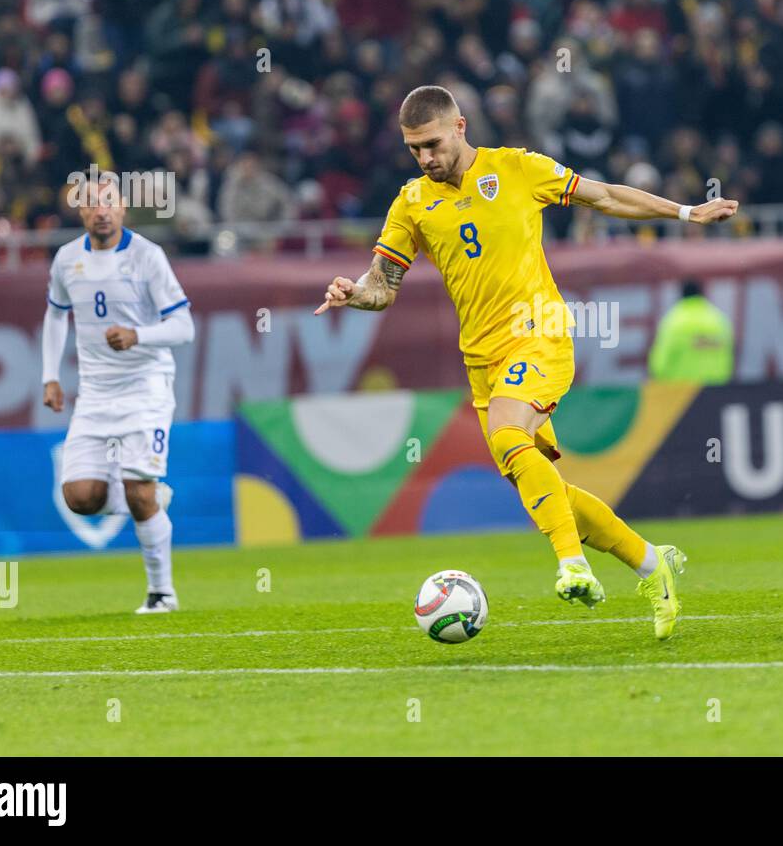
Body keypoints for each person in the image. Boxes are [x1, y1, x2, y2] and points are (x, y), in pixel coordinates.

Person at [315, 85, 738, 639]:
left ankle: (571, 565)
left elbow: (604, 197)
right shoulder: (413, 202)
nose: (425, 158)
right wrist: (355, 292)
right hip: (483, 359)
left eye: (433, 144)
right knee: (541, 486)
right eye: (414, 148)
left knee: (509, 436)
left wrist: (686, 211)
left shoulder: (517, 168)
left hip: (539, 334)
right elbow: (384, 286)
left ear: (461, 127)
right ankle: (653, 565)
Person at [41, 178, 194, 614]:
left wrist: (138, 336)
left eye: (108, 202)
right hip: (94, 394)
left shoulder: (147, 256)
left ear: (123, 208)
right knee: (80, 497)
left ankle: (161, 593)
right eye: (91, 204)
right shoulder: (67, 260)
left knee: (138, 490)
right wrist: (50, 376)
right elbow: (55, 316)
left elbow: (184, 328)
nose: (101, 211)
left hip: (146, 387)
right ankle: (148, 498)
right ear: (81, 212)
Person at [648, 280, 734, 383]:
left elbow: (660, 363)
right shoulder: (718, 319)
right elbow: (729, 353)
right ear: (702, 294)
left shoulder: (674, 321)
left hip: (683, 390)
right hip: (717, 388)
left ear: (681, 294)